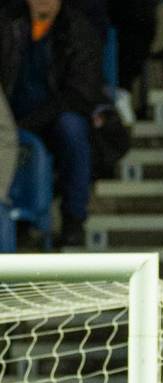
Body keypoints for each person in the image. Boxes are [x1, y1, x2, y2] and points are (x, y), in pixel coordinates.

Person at [0, 0, 104, 246]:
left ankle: (73, 217)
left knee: (73, 129)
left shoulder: (77, 28)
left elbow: (81, 91)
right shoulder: (7, 23)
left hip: (57, 113)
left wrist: (32, 122)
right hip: (10, 110)